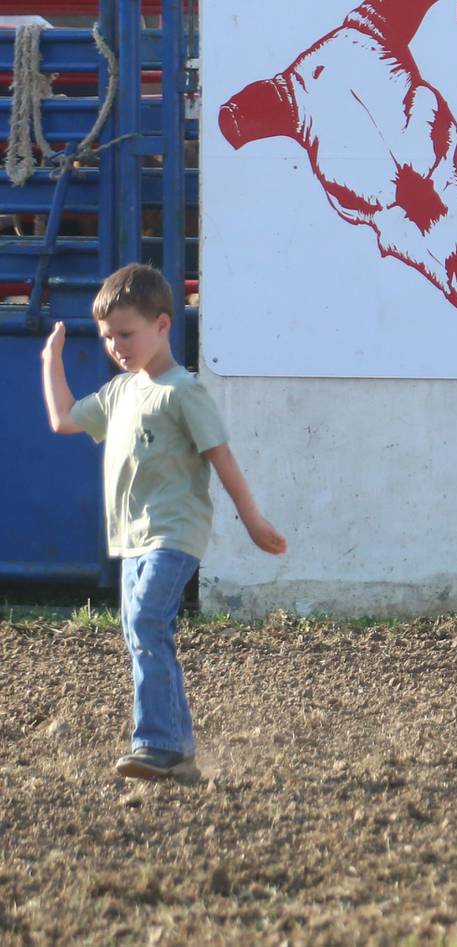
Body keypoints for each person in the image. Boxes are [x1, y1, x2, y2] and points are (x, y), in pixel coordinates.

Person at [39, 263, 287, 780]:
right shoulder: (119, 393)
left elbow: (222, 458)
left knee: (148, 621)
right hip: (131, 540)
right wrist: (51, 361)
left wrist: (253, 521)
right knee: (140, 632)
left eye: (126, 334)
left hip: (174, 534)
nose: (116, 346)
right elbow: (63, 419)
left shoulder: (182, 392)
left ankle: (157, 742)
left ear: (163, 325)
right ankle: (179, 752)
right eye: (108, 337)